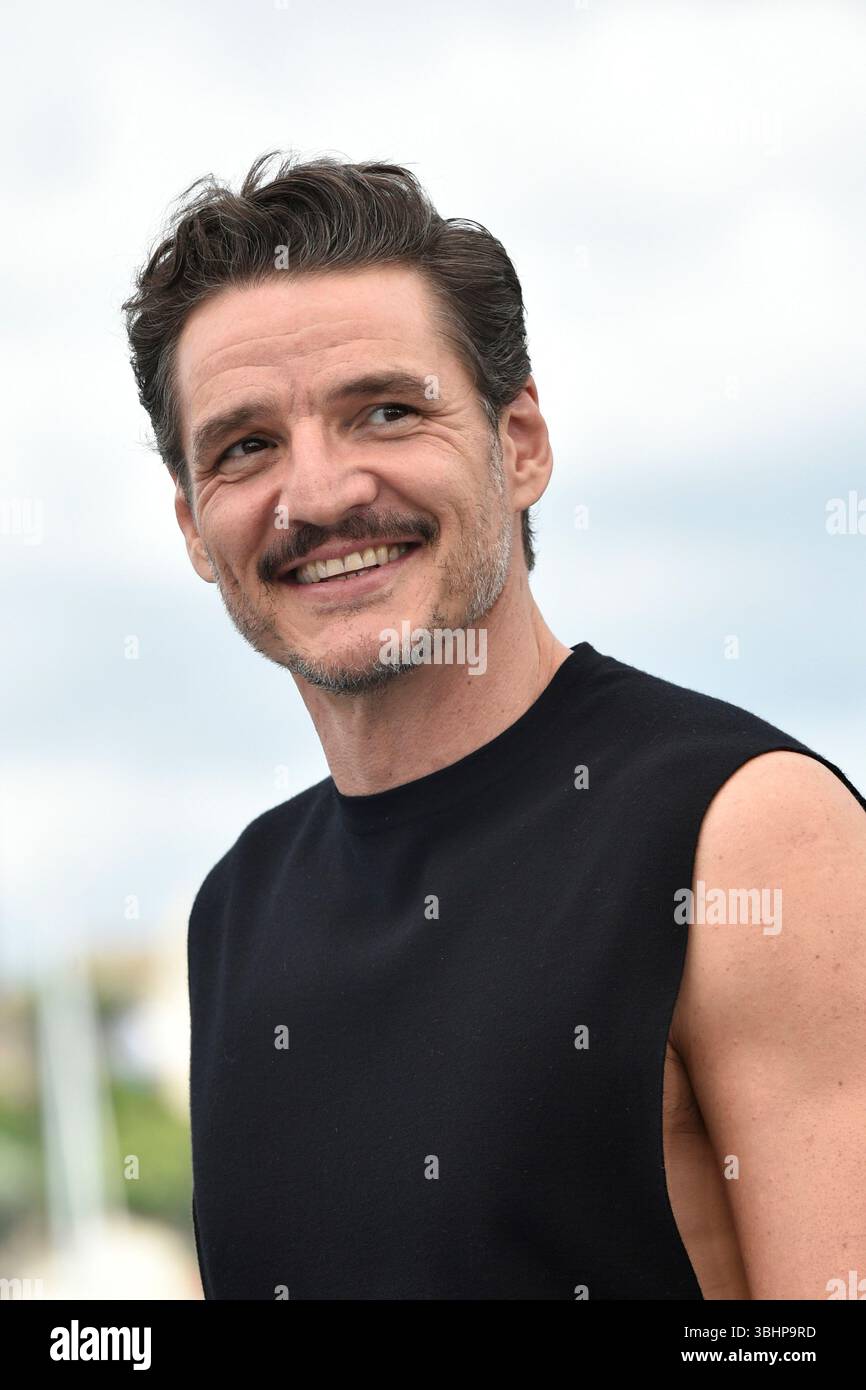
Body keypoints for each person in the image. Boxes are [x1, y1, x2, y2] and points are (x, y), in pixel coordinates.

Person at [123, 152, 866, 1300]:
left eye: (383, 410)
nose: (317, 496)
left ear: (517, 446)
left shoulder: (746, 833)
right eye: (246, 446)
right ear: (191, 523)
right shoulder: (238, 900)